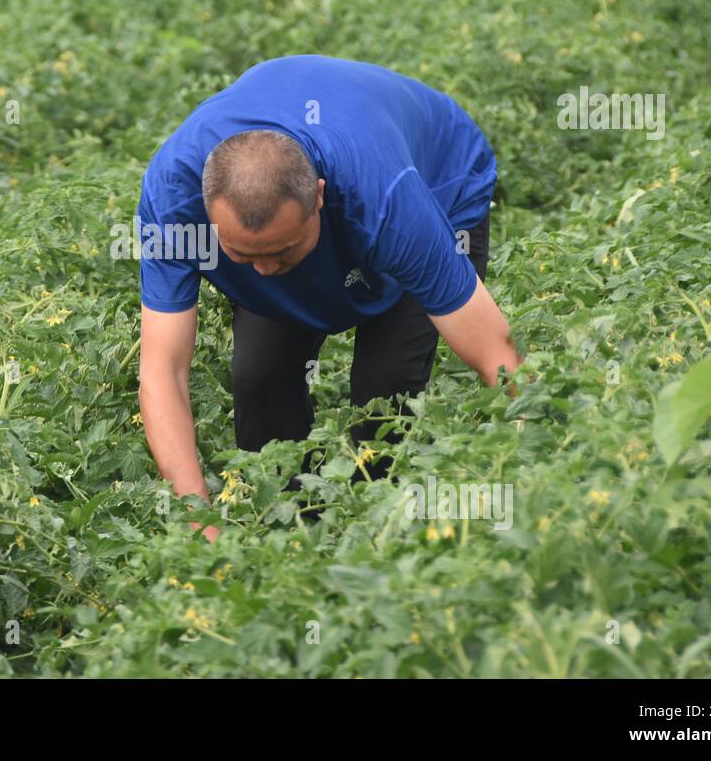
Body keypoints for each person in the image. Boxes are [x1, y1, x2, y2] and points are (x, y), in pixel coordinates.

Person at [134, 55, 522, 541]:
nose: (266, 270)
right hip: (318, 205)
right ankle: (290, 536)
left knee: (385, 392)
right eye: (240, 253)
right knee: (260, 381)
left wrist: (542, 472)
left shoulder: (387, 199)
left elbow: (497, 356)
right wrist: (199, 524)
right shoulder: (174, 196)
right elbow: (162, 370)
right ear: (208, 216)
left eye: (281, 251)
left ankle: (380, 539)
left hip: (438, 177)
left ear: (318, 196)